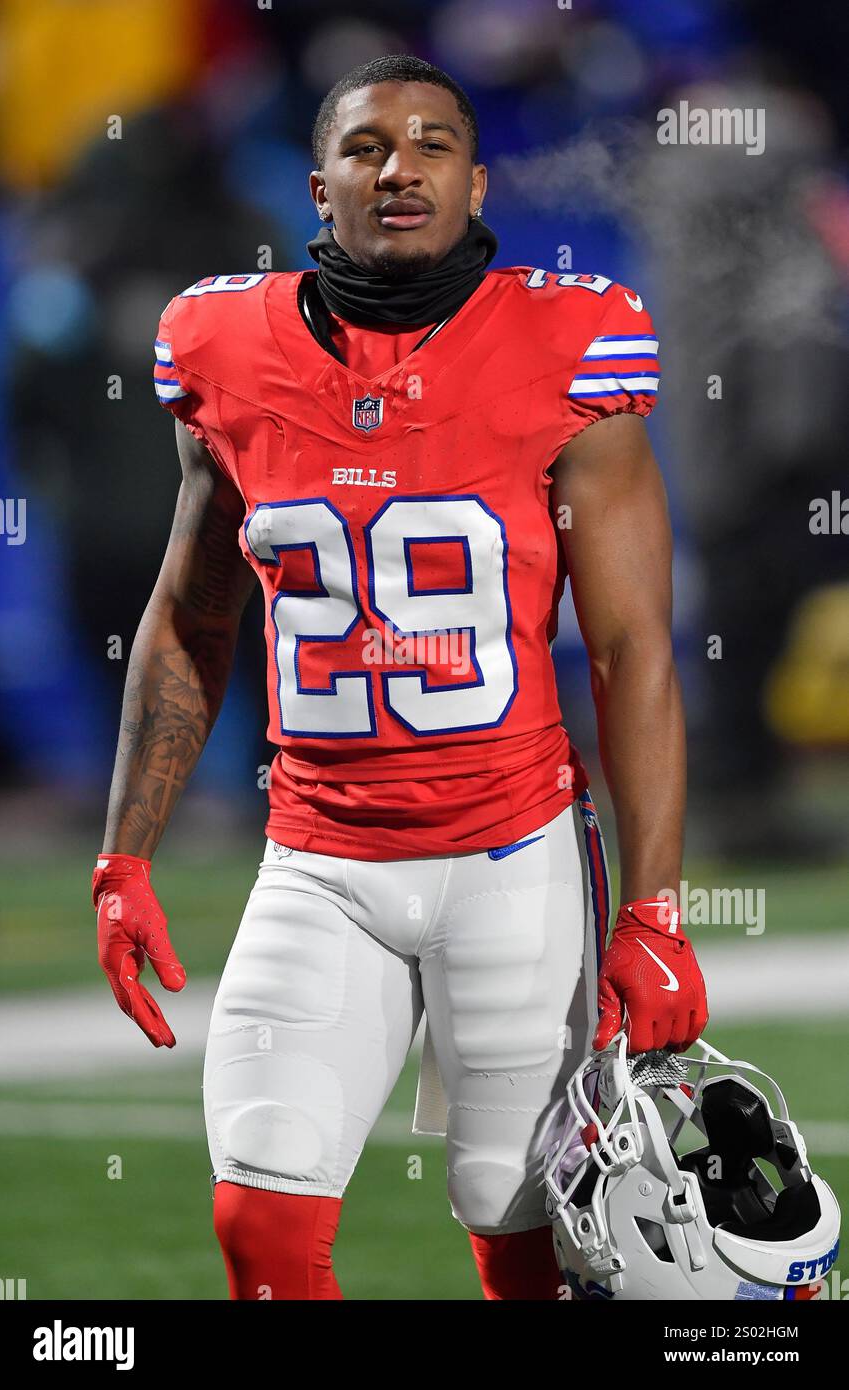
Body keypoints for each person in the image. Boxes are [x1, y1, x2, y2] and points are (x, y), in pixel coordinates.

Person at [92, 54, 707, 1302]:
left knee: (523, 1231)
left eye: (431, 143)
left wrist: (655, 909)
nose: (400, 165)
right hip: (315, 856)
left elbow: (634, 648)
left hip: (511, 858)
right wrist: (125, 854)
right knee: (259, 1230)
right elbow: (189, 610)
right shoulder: (221, 344)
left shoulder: (567, 343)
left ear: (474, 180)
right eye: (367, 146)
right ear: (319, 186)